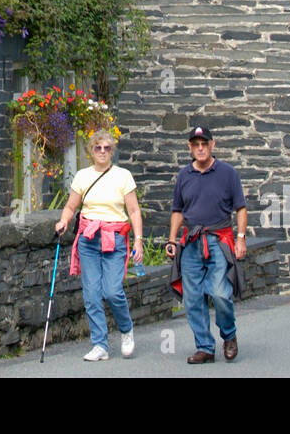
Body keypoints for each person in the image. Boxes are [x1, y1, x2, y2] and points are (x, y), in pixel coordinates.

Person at [54, 128, 145, 361]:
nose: (102, 152)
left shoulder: (123, 176)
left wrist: (139, 241)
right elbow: (70, 207)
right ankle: (100, 345)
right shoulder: (83, 176)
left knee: (113, 291)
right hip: (88, 239)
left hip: (114, 238)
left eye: (107, 148)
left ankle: (126, 330)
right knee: (92, 293)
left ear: (112, 151)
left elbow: (133, 211)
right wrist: (64, 220)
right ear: (91, 151)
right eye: (98, 148)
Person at [165, 126, 247, 364]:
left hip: (219, 240)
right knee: (192, 298)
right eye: (195, 144)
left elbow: (240, 207)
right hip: (191, 242)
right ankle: (204, 347)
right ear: (189, 147)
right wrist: (172, 240)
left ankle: (229, 335)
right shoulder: (184, 176)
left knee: (220, 293)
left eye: (204, 143)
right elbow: (178, 210)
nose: (200, 148)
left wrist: (240, 238)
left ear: (213, 145)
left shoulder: (228, 173)